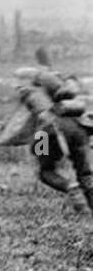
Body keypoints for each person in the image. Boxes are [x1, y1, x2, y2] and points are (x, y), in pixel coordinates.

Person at [16, 49, 93, 210]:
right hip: (78, 127)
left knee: (45, 171)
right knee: (85, 174)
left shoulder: (30, 88)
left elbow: (35, 116)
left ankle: (70, 187)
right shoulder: (62, 83)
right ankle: (88, 206)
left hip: (44, 133)